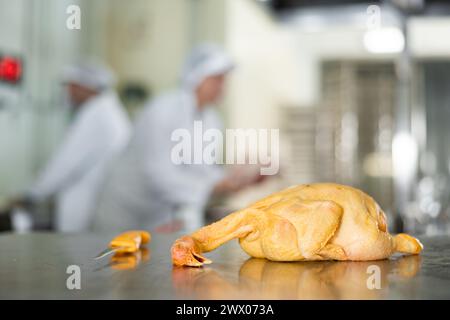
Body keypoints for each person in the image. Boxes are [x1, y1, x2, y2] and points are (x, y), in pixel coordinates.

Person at [94, 44, 258, 233]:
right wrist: (217, 186)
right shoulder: (163, 109)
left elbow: (201, 170)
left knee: (153, 259)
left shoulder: (212, 119)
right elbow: (158, 172)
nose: (223, 86)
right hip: (124, 207)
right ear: (196, 77)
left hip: (158, 212)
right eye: (216, 79)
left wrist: (235, 180)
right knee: (113, 259)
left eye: (224, 80)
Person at [10, 61, 131, 232]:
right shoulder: (107, 110)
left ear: (87, 86)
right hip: (96, 202)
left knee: (77, 254)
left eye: (72, 86)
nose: (69, 92)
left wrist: (32, 194)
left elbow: (65, 163)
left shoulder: (97, 115)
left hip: (87, 205)